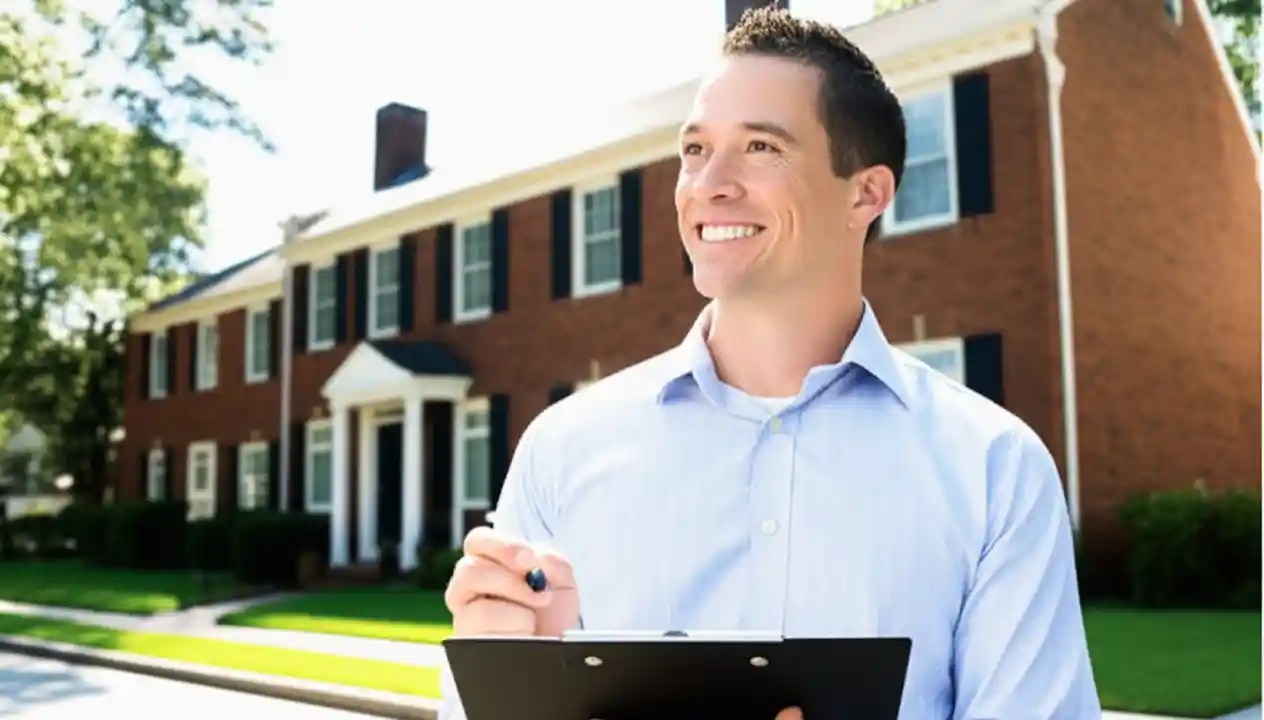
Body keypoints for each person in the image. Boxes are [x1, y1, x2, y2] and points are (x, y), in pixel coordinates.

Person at [438, 6, 1101, 719]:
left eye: (761, 147)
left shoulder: (994, 470)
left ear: (866, 193)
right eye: (695, 150)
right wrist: (514, 689)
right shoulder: (559, 455)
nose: (709, 184)